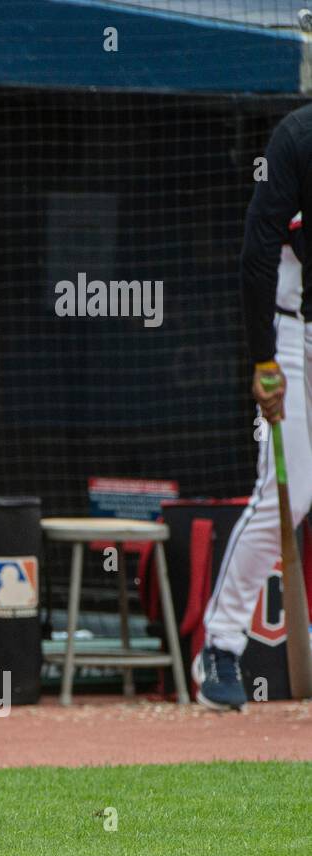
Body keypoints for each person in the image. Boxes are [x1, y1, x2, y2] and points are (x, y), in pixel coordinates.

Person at [200, 186, 309, 712]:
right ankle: (220, 645)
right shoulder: (296, 142)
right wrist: (263, 359)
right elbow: (257, 255)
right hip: (290, 333)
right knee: (290, 493)